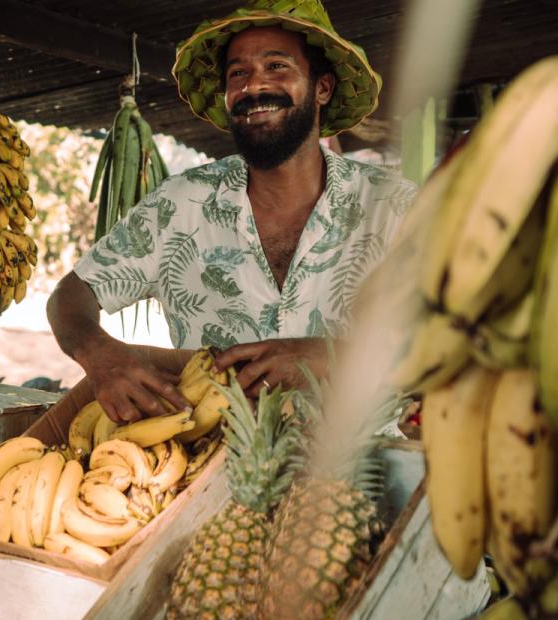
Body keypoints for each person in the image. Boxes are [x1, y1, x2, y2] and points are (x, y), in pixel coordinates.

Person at [47, 0, 416, 423]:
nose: (254, 86)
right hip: (206, 475)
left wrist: (333, 356)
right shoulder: (180, 204)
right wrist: (102, 356)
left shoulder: (396, 208)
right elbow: (69, 298)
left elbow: (472, 338)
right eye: (237, 73)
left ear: (322, 88)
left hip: (365, 475)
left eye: (277, 66)